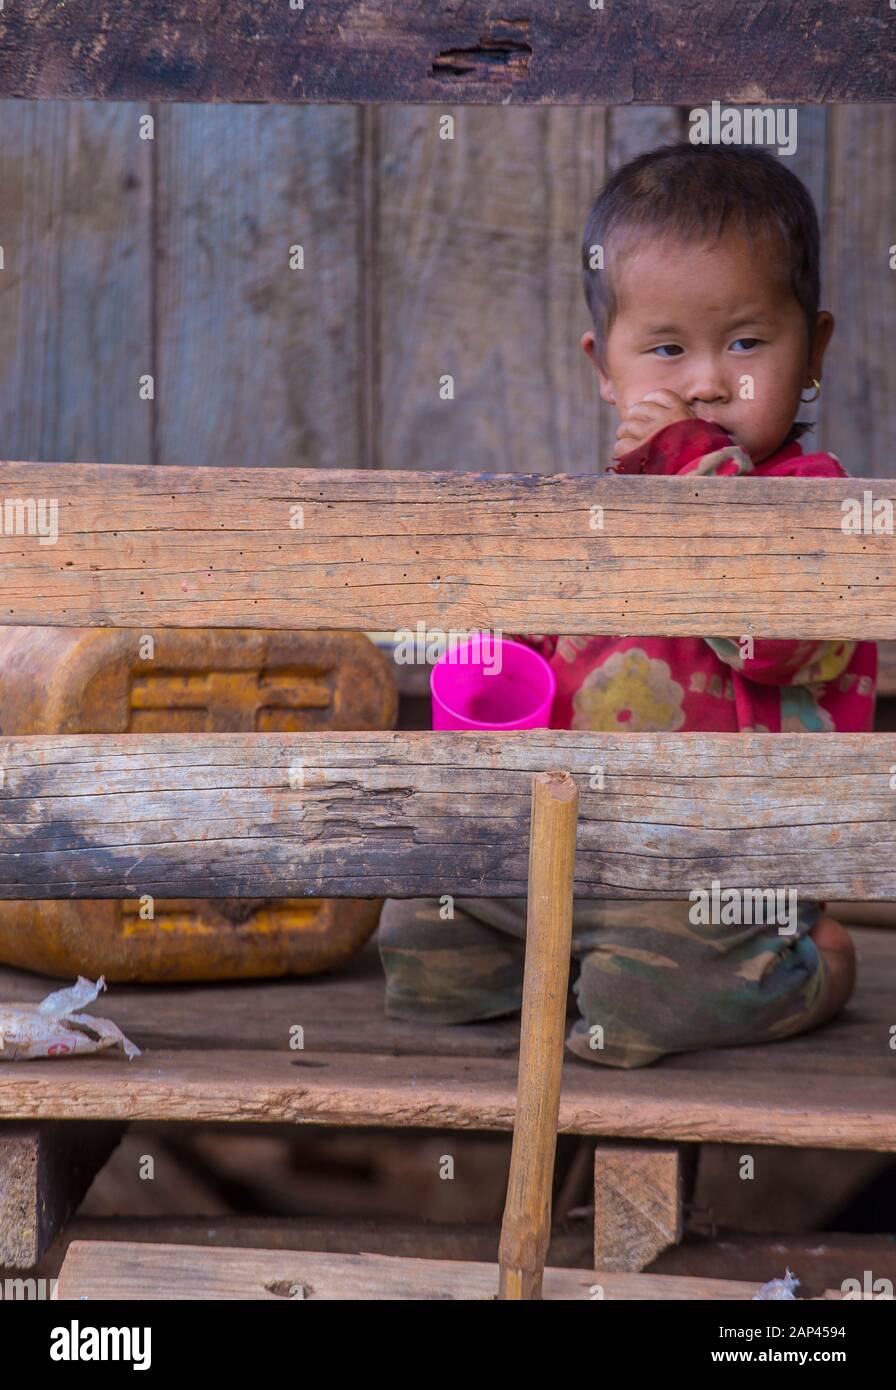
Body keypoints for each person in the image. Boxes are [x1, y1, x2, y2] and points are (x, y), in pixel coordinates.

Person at [378, 143, 874, 1068]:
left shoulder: (816, 502)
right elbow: (536, 652)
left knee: (630, 1011)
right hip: (575, 851)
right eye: (667, 349)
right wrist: (492, 650)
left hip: (716, 873)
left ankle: (810, 965)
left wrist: (692, 468)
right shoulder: (590, 512)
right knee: (422, 943)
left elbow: (771, 639)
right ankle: (580, 955)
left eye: (746, 343)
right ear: (605, 367)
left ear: (813, 350)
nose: (707, 382)